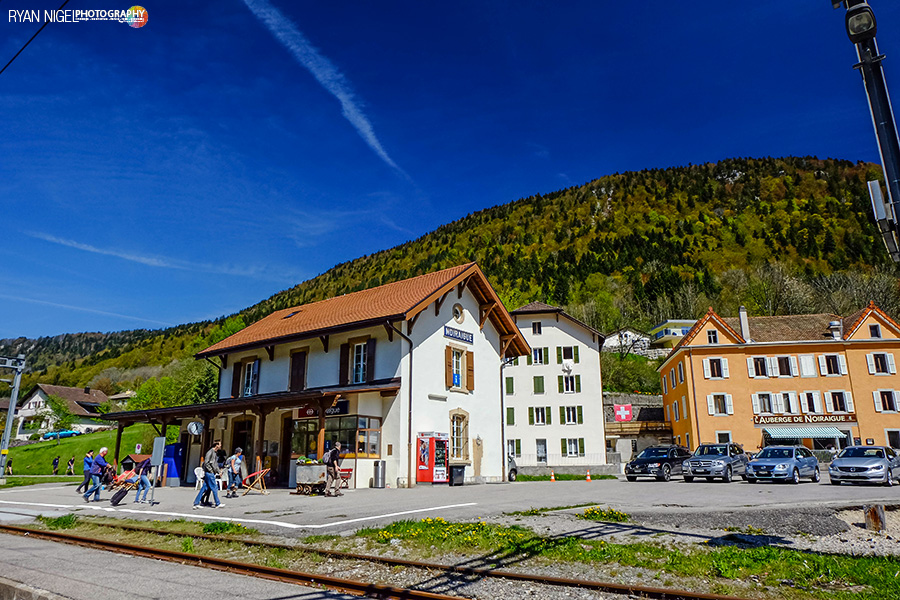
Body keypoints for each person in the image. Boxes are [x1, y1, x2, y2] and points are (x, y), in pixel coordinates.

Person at [193, 440, 225, 509]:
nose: (220, 446)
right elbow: (207, 462)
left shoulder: (215, 453)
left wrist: (218, 471)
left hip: (211, 473)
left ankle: (196, 502)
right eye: (219, 444)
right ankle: (217, 503)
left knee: (204, 488)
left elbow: (215, 464)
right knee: (214, 487)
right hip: (209, 473)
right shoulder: (210, 452)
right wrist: (211, 470)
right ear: (216, 445)